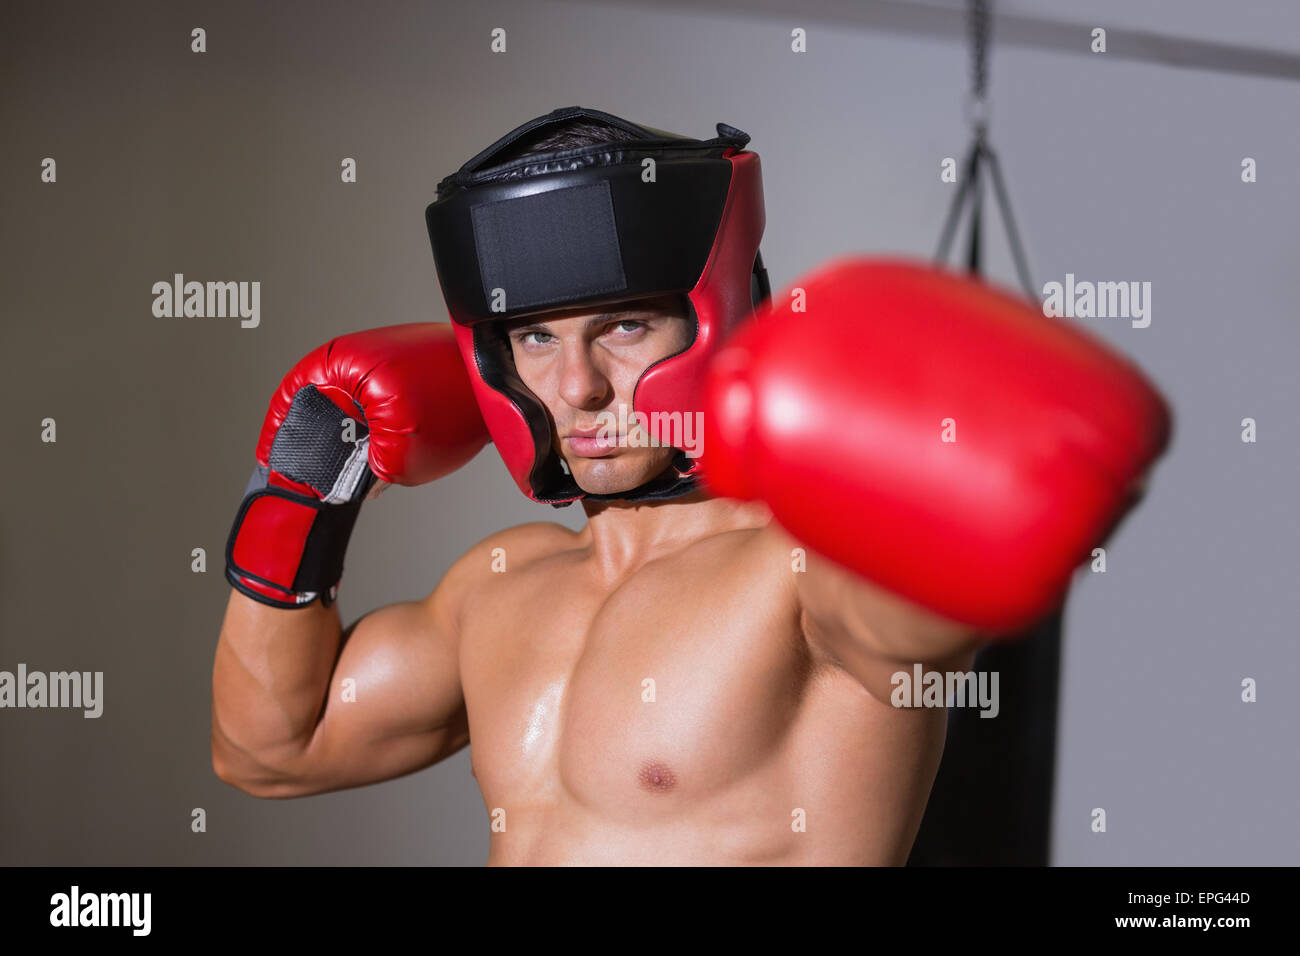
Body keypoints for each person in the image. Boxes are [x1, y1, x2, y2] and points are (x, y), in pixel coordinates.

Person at [211, 107, 1171, 865]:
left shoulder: (799, 567)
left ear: (716, 319)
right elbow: (269, 752)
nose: (577, 387)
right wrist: (306, 488)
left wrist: (969, 487)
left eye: (623, 326)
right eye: (535, 338)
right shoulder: (497, 586)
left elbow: (899, 621)